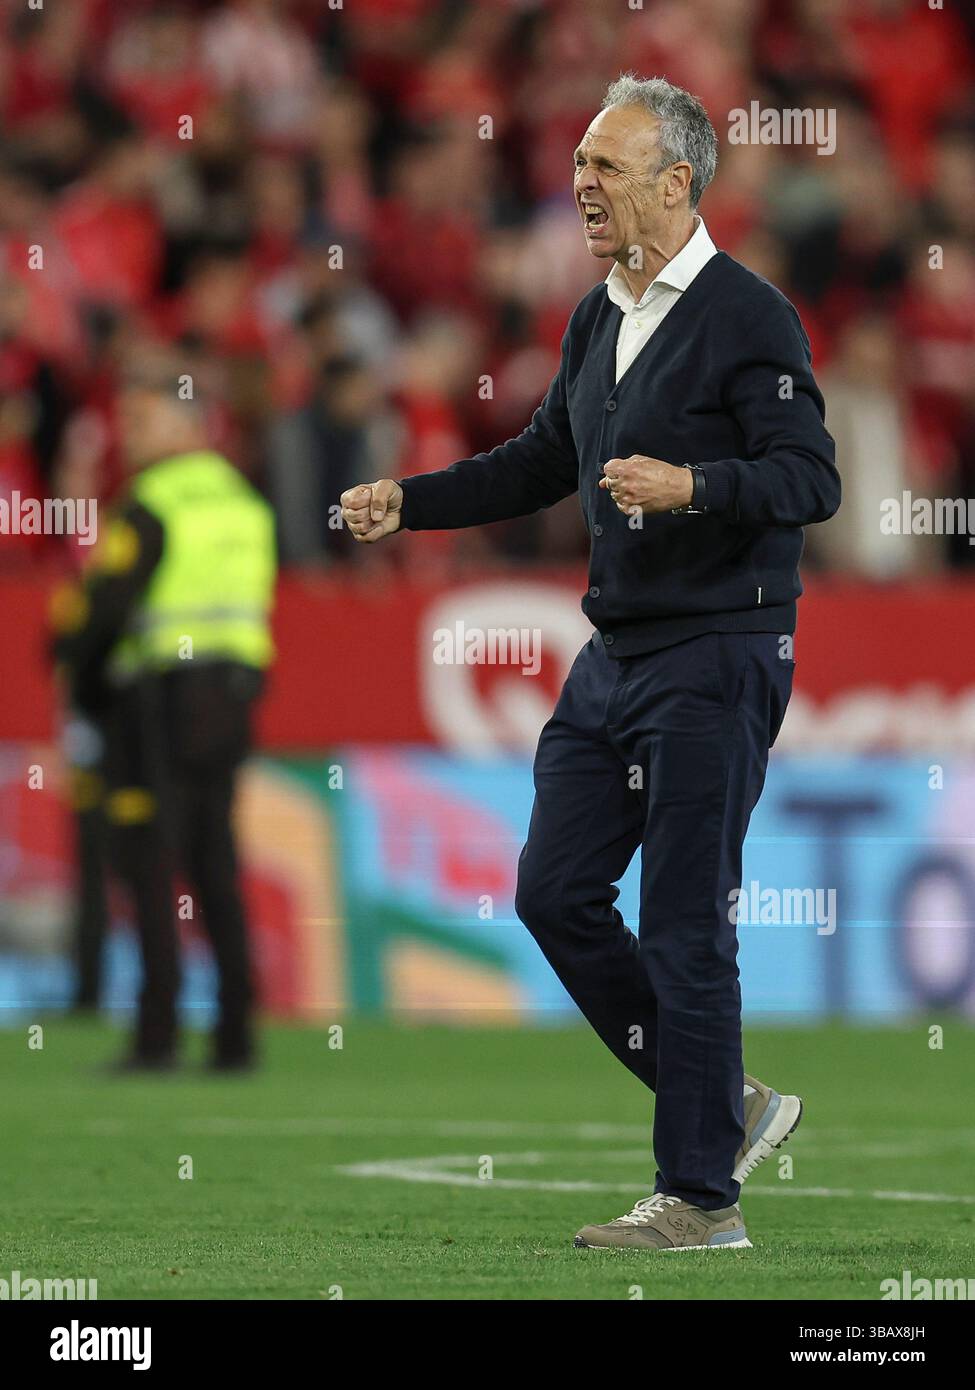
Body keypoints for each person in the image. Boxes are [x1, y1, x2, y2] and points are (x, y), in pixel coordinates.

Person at [341, 75, 840, 1251]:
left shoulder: (750, 315)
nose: (580, 185)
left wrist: (695, 486)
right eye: (577, 165)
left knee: (682, 924)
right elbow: (535, 462)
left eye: (606, 167)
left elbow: (811, 478)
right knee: (553, 890)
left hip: (717, 652)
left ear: (677, 183)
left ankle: (702, 1200)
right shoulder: (598, 316)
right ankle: (727, 1105)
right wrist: (405, 503)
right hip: (615, 654)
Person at [52, 373, 277, 1071]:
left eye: (142, 420)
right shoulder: (244, 501)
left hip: (163, 698)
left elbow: (110, 604)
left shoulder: (152, 500)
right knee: (215, 857)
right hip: (234, 693)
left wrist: (81, 680)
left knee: (151, 857)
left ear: (186, 426)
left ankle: (157, 1034)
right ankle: (236, 1033)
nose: (130, 434)